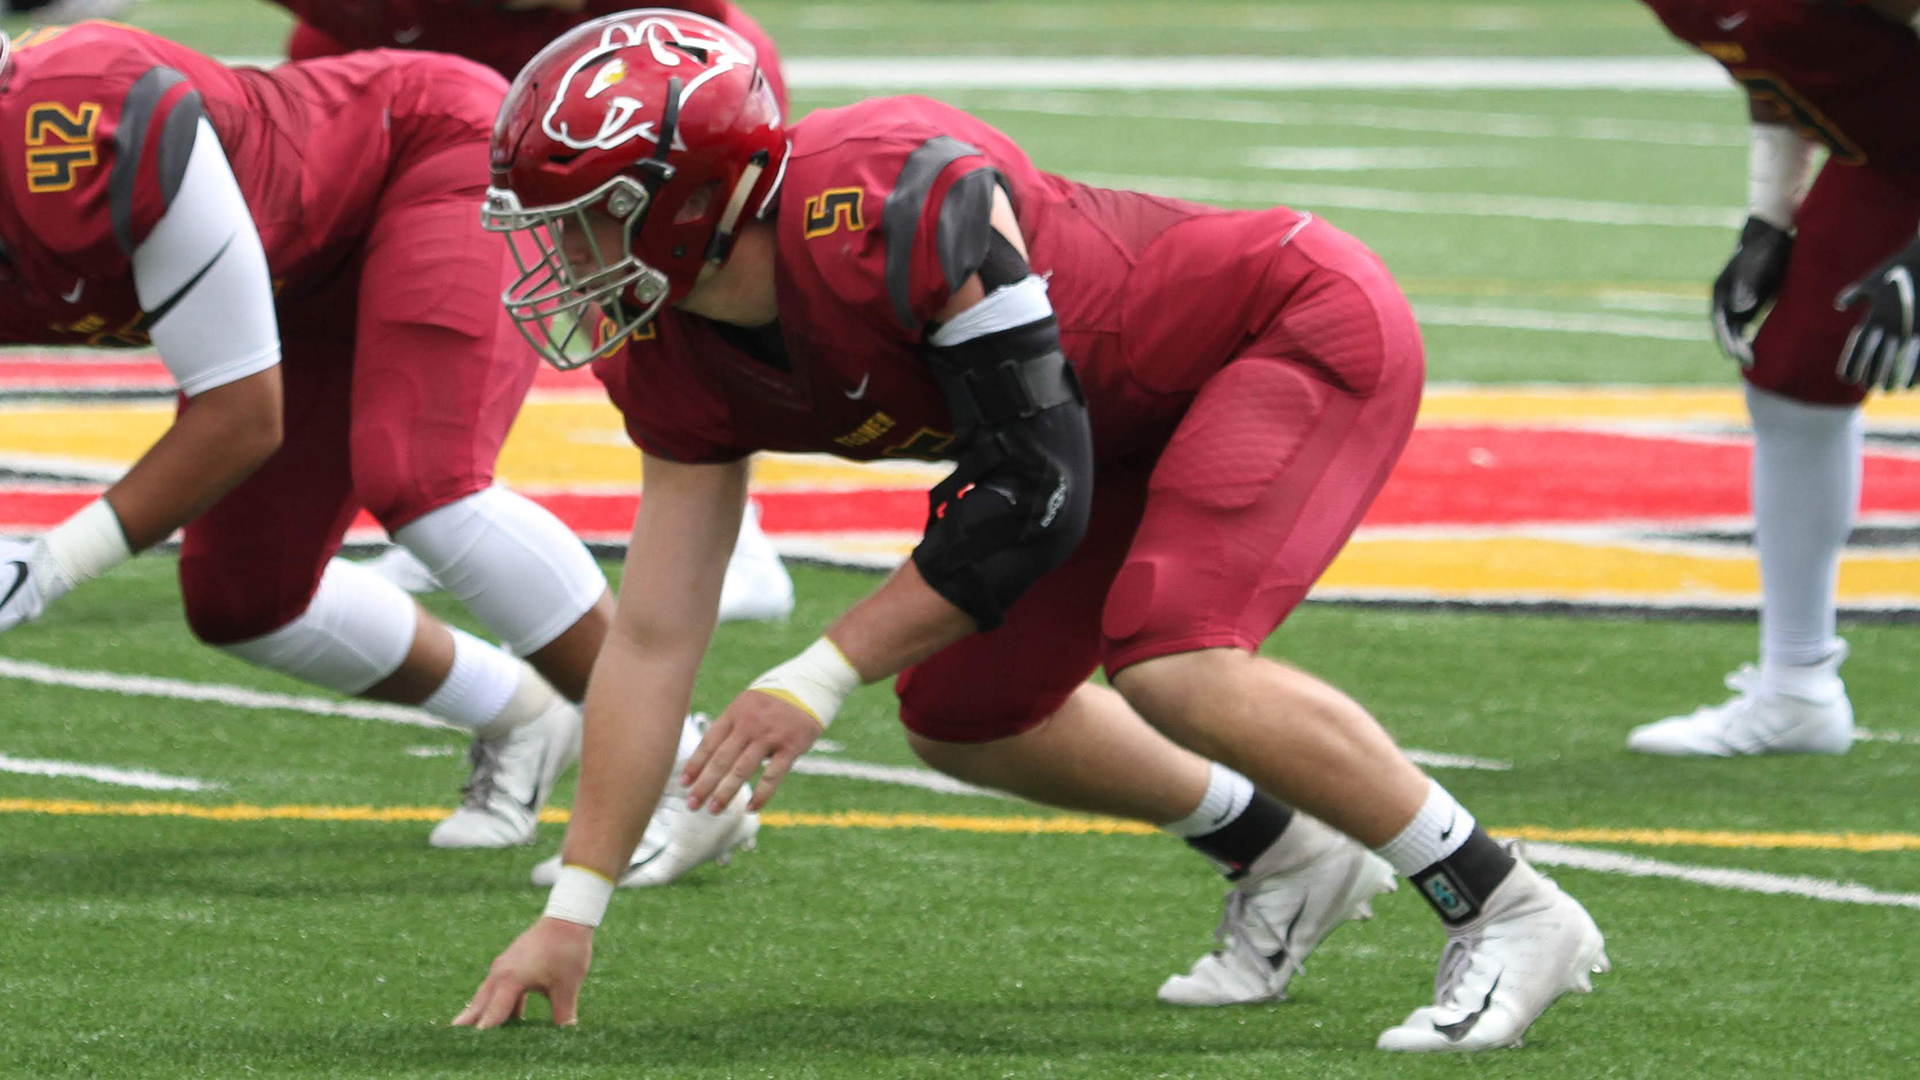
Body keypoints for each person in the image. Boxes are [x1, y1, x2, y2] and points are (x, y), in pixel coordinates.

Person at [450, 11, 1608, 1051]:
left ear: (690, 199)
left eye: (586, 220)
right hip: (1102, 433)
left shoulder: (889, 205)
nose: (562, 255)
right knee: (965, 716)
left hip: (1275, 331)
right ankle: (1286, 851)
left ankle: (1506, 905)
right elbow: (654, 637)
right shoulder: (668, 347)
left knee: (1176, 656)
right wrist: (575, 911)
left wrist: (817, 673)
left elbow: (1034, 492)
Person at [0, 21, 757, 879]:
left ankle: (689, 778)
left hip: (418, 159)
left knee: (425, 482)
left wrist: (47, 566)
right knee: (243, 596)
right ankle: (519, 713)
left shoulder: (84, 130)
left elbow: (239, 418)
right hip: (294, 276)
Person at [1626, 0, 1920, 757]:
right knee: (1796, 379)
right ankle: (1797, 689)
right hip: (1892, 162)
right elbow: (1779, 72)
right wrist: (1769, 217)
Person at [267, 0, 785, 105]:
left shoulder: (686, 15)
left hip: (586, 91)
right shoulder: (349, 27)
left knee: (733, 70)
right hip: (404, 108)